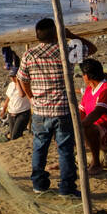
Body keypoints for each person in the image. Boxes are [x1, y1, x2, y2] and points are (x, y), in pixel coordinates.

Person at [16, 18, 79, 197]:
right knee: (65, 149)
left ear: (37, 35)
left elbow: (23, 78)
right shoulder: (68, 50)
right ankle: (66, 188)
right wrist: (70, 35)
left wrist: (31, 97)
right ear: (56, 33)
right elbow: (91, 48)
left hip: (40, 110)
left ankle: (39, 184)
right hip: (63, 109)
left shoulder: (29, 54)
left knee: (39, 147)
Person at [78, 58, 107, 174]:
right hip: (96, 130)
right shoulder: (89, 90)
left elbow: (98, 112)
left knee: (88, 127)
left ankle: (96, 163)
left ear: (86, 76)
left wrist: (80, 126)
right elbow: (81, 112)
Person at [0, 69, 32, 140]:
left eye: (14, 76)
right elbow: (8, 98)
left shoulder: (24, 84)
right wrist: (4, 109)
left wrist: (18, 82)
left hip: (23, 112)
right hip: (12, 113)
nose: (12, 78)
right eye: (11, 76)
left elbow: (22, 94)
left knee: (15, 135)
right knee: (13, 135)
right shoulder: (11, 85)